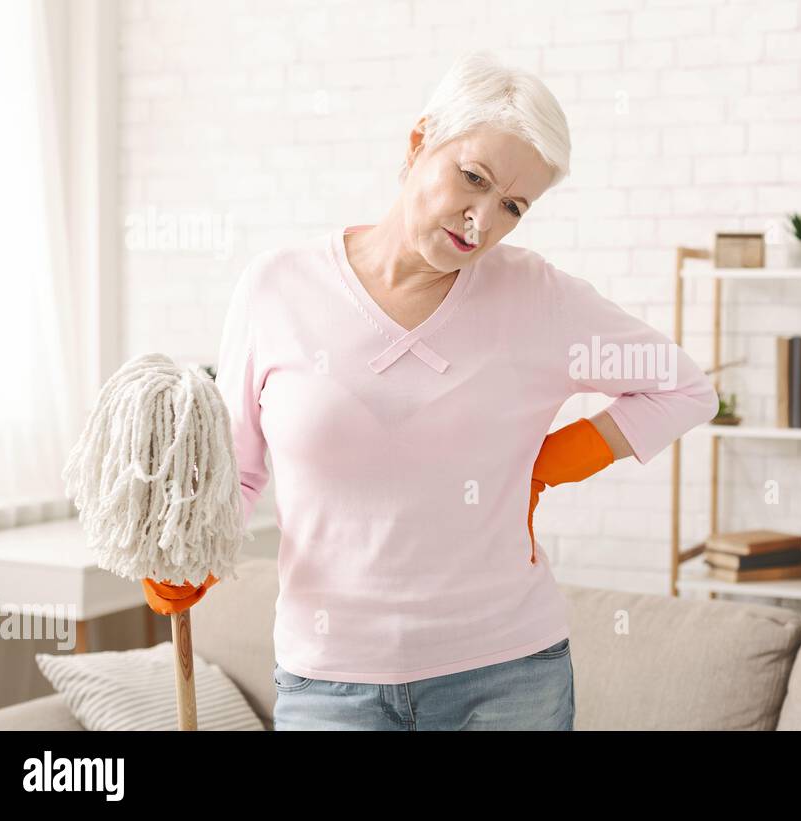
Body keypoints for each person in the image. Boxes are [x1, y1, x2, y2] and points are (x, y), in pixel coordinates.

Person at [145, 50, 719, 730]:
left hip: (509, 679)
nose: (481, 220)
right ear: (419, 142)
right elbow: (240, 470)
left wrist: (558, 459)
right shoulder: (277, 289)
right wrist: (194, 557)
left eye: (511, 205)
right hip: (331, 683)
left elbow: (684, 387)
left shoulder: (537, 299)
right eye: (471, 178)